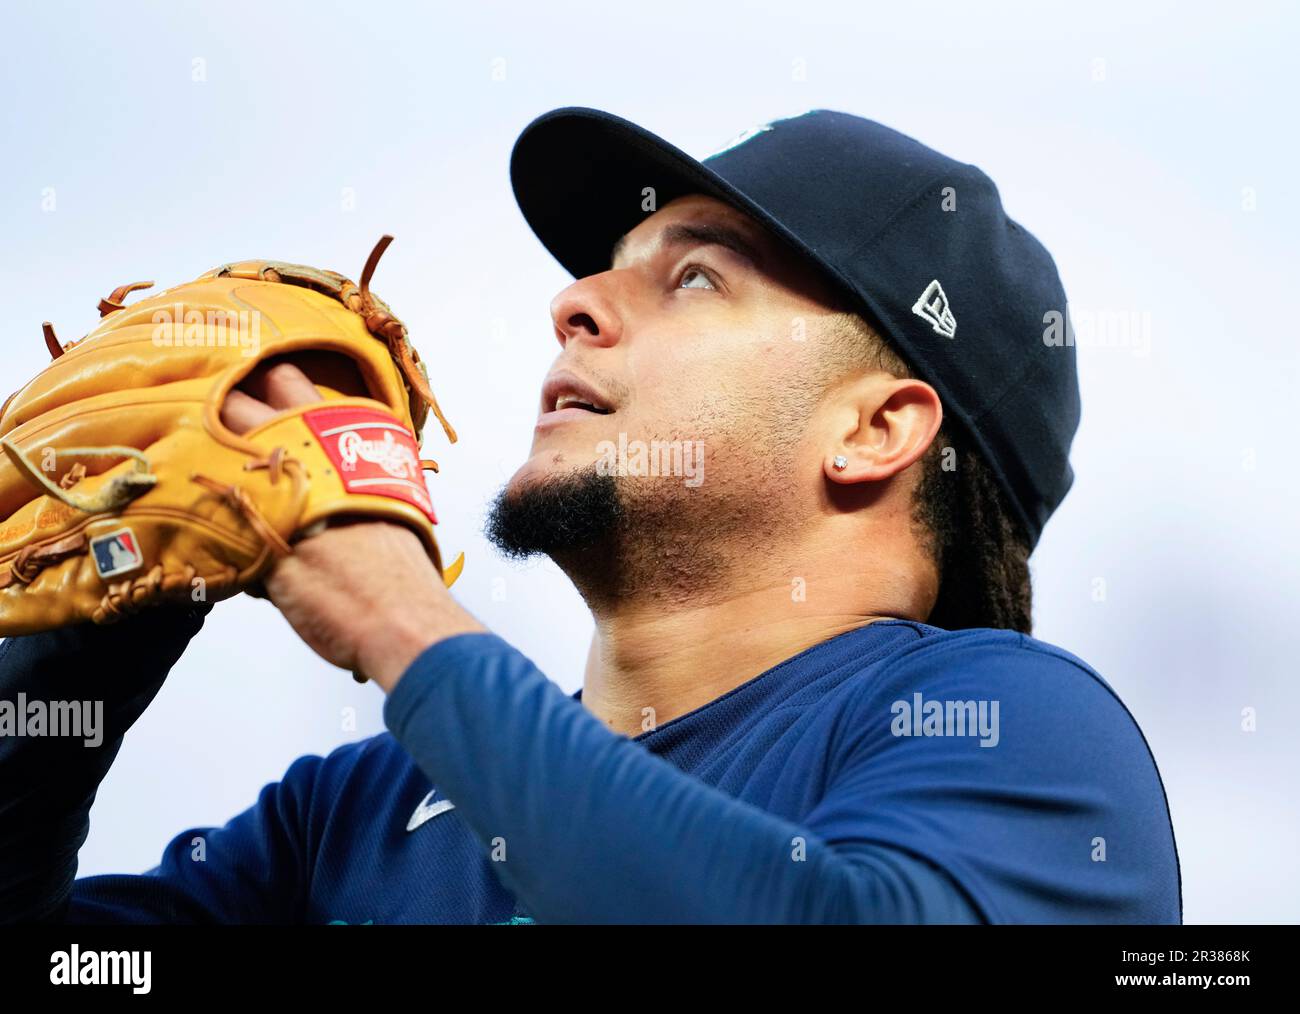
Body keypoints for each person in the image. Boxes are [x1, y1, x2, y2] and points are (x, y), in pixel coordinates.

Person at [0, 107, 1181, 924]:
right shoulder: (362, 807)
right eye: (605, 265)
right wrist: (101, 619)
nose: (573, 303)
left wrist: (395, 610)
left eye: (697, 275)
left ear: (875, 430)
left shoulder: (1013, 729)